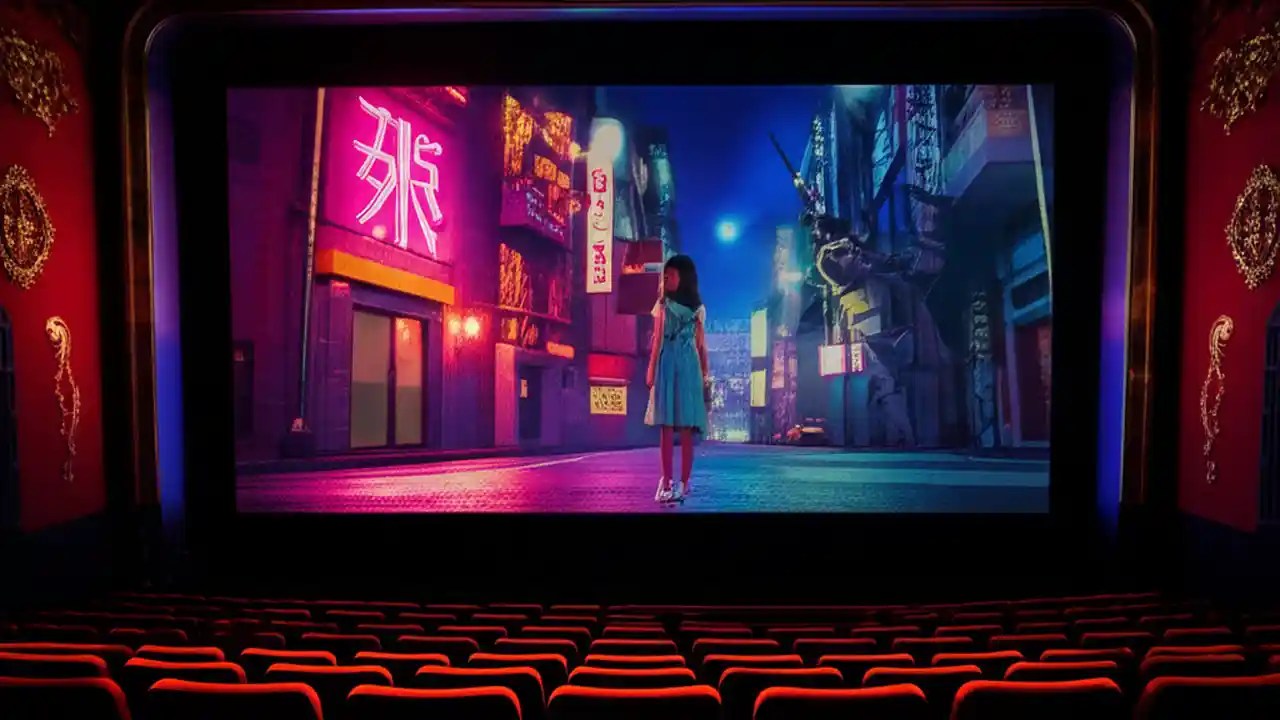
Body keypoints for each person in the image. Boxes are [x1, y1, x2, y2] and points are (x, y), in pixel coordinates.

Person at [646, 254, 710, 504]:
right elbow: (656, 339)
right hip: (666, 364)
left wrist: (705, 373)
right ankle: (666, 480)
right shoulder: (662, 305)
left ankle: (684, 482)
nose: (666, 280)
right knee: (665, 425)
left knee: (685, 427)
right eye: (664, 276)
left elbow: (701, 344)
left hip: (688, 366)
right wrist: (651, 368)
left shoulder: (697, 309)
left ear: (683, 277)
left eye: (670, 275)